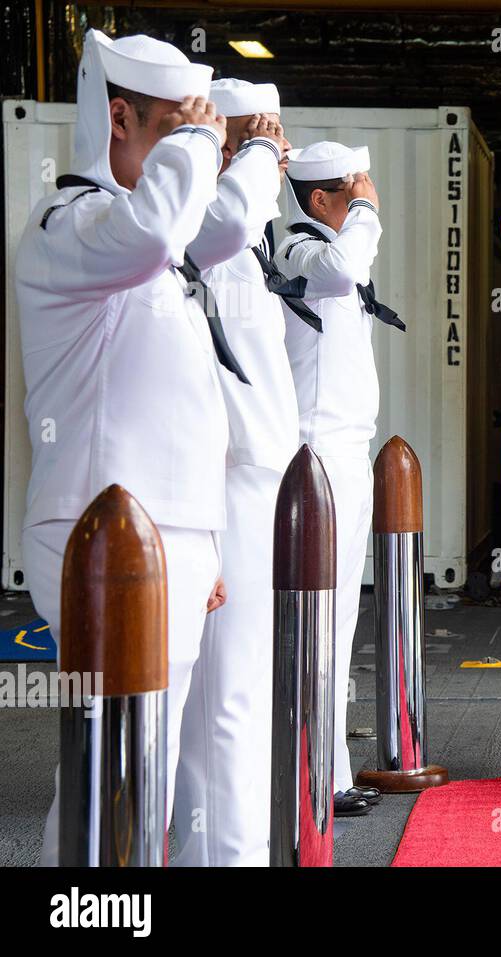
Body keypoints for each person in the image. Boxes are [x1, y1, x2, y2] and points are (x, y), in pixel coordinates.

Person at [15, 30, 230, 865]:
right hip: (96, 544)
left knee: (150, 771)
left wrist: (199, 539)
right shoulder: (71, 226)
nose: (195, 150)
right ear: (118, 118)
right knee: (109, 768)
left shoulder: (146, 245)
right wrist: (201, 143)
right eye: (175, 129)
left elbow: (183, 404)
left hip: (162, 541)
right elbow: (146, 237)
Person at [170, 78, 297, 866]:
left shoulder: (246, 243)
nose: (281, 155)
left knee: (240, 696)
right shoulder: (209, 232)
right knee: (224, 701)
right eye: (268, 138)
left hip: (258, 483)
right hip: (225, 486)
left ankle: (230, 850)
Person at [276, 141, 400, 817]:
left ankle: (327, 769)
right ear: (323, 198)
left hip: (344, 451)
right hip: (315, 453)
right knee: (317, 617)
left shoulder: (324, 247)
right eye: (352, 189)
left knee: (338, 616)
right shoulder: (300, 247)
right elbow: (342, 265)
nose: (365, 196)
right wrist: (367, 214)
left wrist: (361, 211)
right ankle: (311, 774)